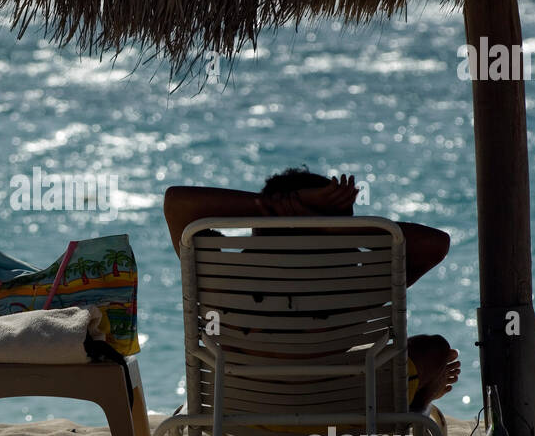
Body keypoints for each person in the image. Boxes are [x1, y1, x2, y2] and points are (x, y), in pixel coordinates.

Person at [163, 167, 460, 410]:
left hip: (235, 417)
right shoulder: (359, 283)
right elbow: (436, 244)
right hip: (346, 418)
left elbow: (176, 202)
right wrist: (336, 225)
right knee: (433, 349)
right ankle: (415, 409)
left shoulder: (223, 277)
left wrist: (274, 208)